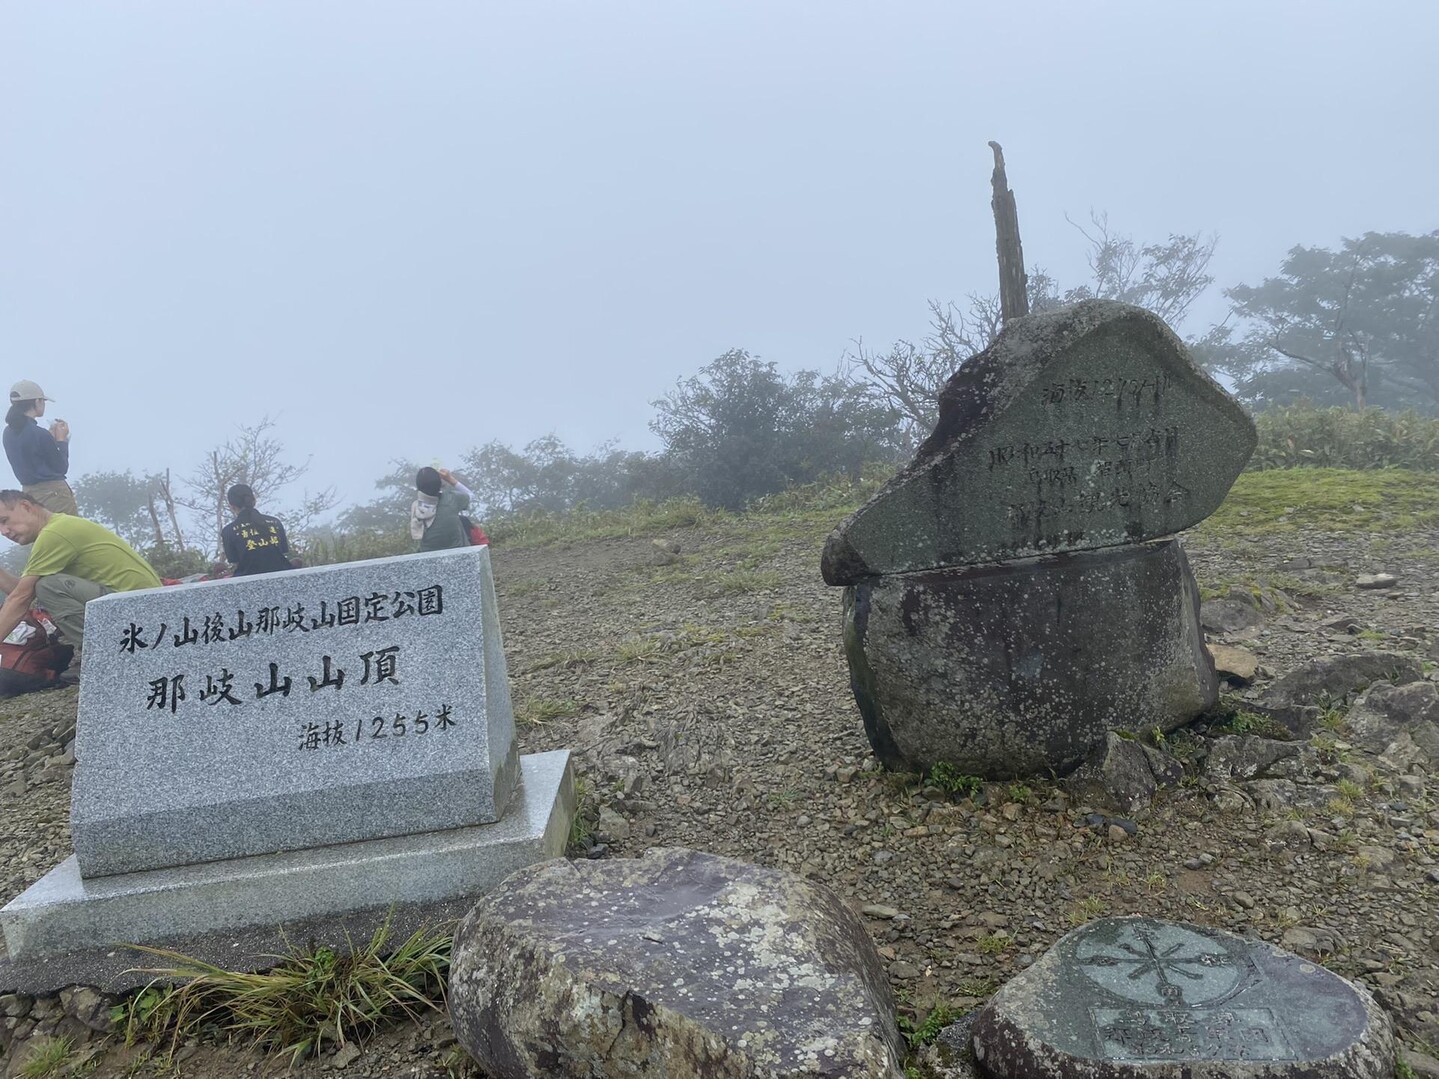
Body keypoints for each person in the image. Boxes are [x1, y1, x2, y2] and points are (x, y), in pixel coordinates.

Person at [0, 490, 161, 667]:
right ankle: (109, 655)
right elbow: (23, 593)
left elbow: (20, 598)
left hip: (145, 613)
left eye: (4, 520)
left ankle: (106, 660)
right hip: (143, 608)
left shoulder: (54, 534)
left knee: (48, 587)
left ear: (25, 506)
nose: (4, 532)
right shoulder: (59, 527)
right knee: (44, 586)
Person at [3, 380, 77, 515]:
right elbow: (60, 467)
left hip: (29, 495)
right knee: (68, 532)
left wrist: (50, 438)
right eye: (43, 401)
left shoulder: (8, 433)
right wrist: (61, 440)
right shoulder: (39, 433)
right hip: (54, 494)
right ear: (37, 402)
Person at [221, 483, 294, 576]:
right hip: (283, 575)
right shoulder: (275, 522)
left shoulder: (228, 531)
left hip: (247, 580)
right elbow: (282, 550)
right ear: (254, 500)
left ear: (232, 506)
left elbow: (234, 560)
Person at [410, 467, 473, 551]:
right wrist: (450, 479)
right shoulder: (451, 499)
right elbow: (471, 496)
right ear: (440, 484)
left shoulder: (416, 507)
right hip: (459, 552)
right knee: (463, 520)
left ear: (419, 487)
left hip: (429, 557)